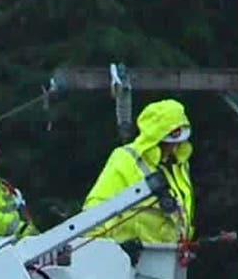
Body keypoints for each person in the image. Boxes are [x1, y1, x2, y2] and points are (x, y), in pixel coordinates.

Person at [82, 99, 194, 244]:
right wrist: (108, 248)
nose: (175, 146)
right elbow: (96, 211)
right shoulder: (126, 159)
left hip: (171, 252)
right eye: (169, 141)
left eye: (179, 140)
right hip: (134, 254)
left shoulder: (178, 164)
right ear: (156, 139)